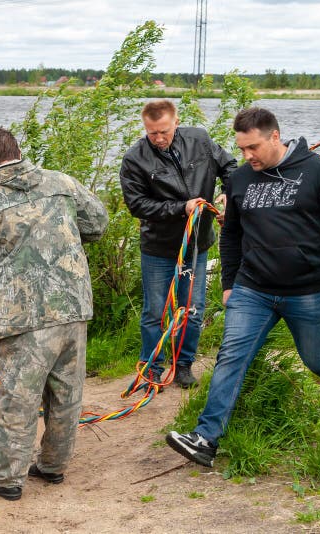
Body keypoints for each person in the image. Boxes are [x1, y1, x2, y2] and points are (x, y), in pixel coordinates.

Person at [166, 107, 320, 467]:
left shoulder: (315, 172)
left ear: (274, 136)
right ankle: (205, 438)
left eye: (253, 147)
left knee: (319, 362)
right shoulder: (239, 180)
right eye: (241, 149)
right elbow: (232, 236)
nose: (247, 156)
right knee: (231, 357)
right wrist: (228, 283)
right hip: (252, 290)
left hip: (308, 291)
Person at [0, 127, 109, 500]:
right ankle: (53, 466)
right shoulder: (62, 182)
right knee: (66, 392)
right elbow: (97, 223)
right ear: (18, 151)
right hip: (73, 305)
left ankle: (8, 479)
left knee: (17, 397)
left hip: (21, 315)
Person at [120, 99, 237, 388]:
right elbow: (137, 205)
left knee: (192, 307)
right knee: (155, 311)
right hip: (158, 248)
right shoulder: (134, 158)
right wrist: (179, 208)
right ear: (145, 127)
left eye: (164, 131)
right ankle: (151, 368)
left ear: (176, 122)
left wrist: (227, 194)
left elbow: (231, 167)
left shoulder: (200, 139)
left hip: (197, 245)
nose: (159, 139)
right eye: (152, 133)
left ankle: (183, 364)